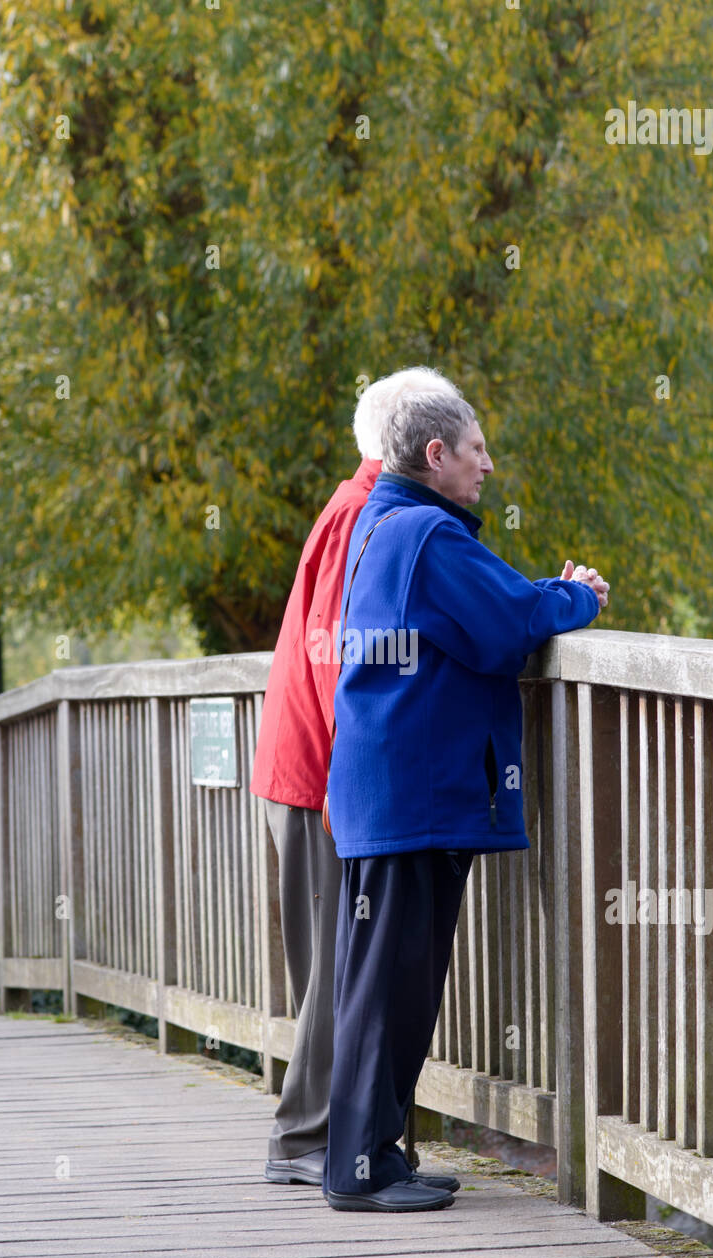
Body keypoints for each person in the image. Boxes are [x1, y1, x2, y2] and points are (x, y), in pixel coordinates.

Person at [322, 388, 609, 1211]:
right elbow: (506, 619)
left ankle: (379, 1155)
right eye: (476, 448)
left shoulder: (386, 523)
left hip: (394, 793)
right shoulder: (424, 533)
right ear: (434, 455)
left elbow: (485, 611)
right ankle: (361, 1171)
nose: (488, 464)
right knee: (389, 989)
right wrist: (578, 594)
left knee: (390, 984)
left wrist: (539, 597)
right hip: (410, 797)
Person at [250, 366, 463, 1193]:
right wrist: (365, 782)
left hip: (311, 770)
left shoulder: (365, 507)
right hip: (319, 776)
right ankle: (308, 1139)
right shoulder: (366, 517)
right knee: (341, 971)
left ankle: (337, 1138)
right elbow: (346, 652)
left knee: (339, 967)